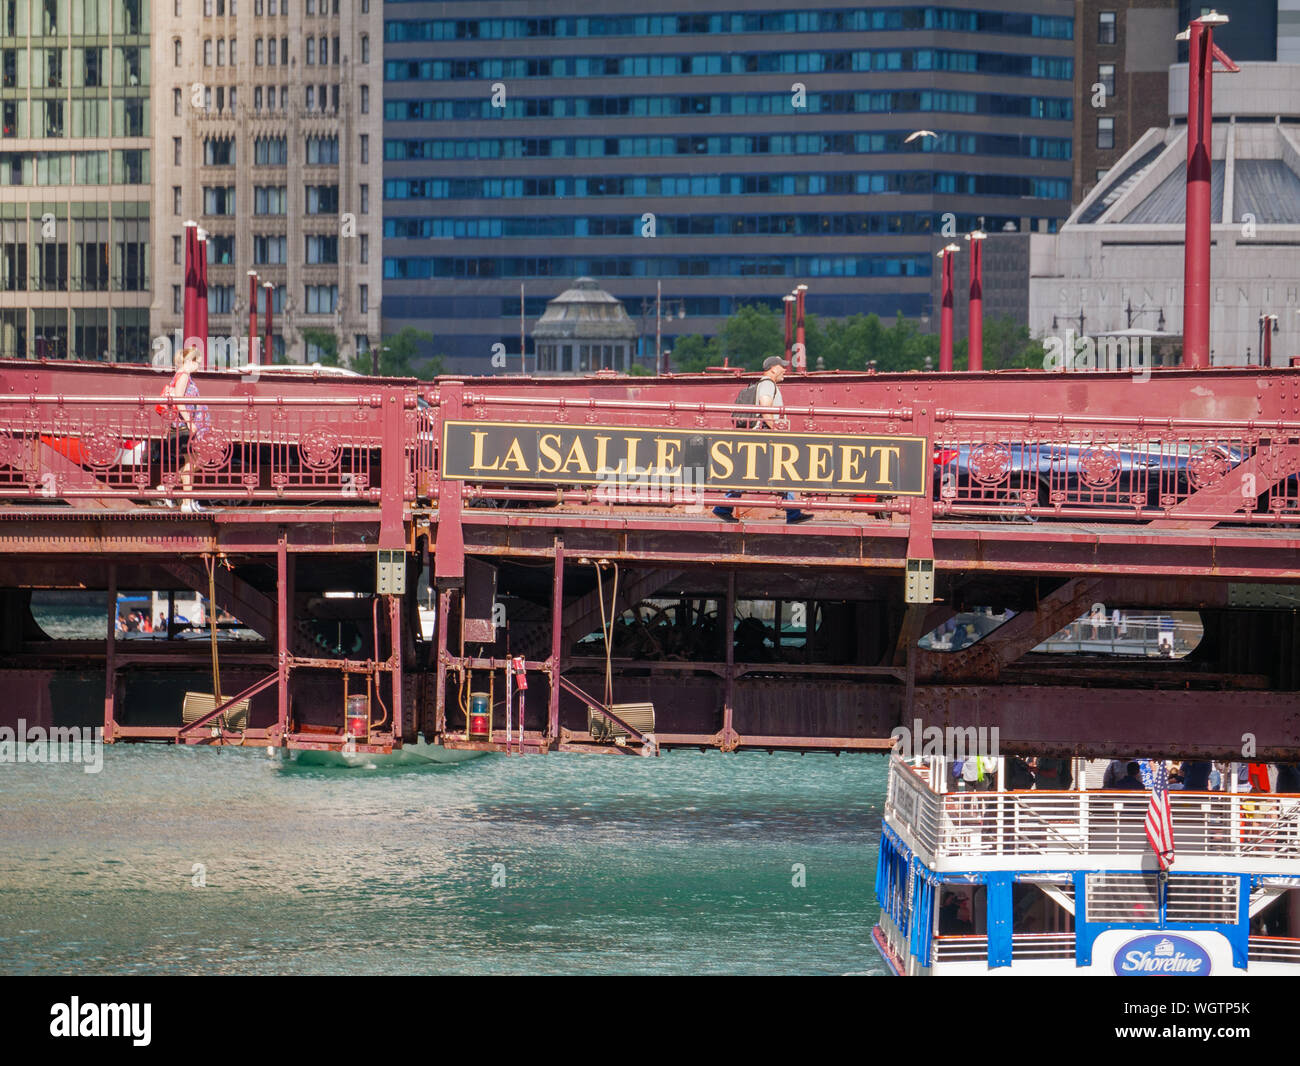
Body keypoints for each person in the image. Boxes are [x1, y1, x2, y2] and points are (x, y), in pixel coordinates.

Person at [713, 356, 812, 525]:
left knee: (753, 472)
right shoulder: (767, 384)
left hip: (761, 437)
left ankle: (723, 508)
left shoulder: (763, 384)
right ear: (773, 368)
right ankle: (793, 513)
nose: (785, 370)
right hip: (765, 437)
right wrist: (775, 429)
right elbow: (765, 406)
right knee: (781, 471)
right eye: (783, 367)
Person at [161, 346, 210, 513]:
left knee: (196, 460)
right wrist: (190, 422)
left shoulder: (184, 376)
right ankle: (186, 502)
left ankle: (169, 488)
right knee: (191, 462)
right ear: (190, 361)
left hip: (184, 425)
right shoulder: (183, 376)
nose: (199, 365)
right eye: (197, 362)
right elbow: (178, 400)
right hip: (183, 426)